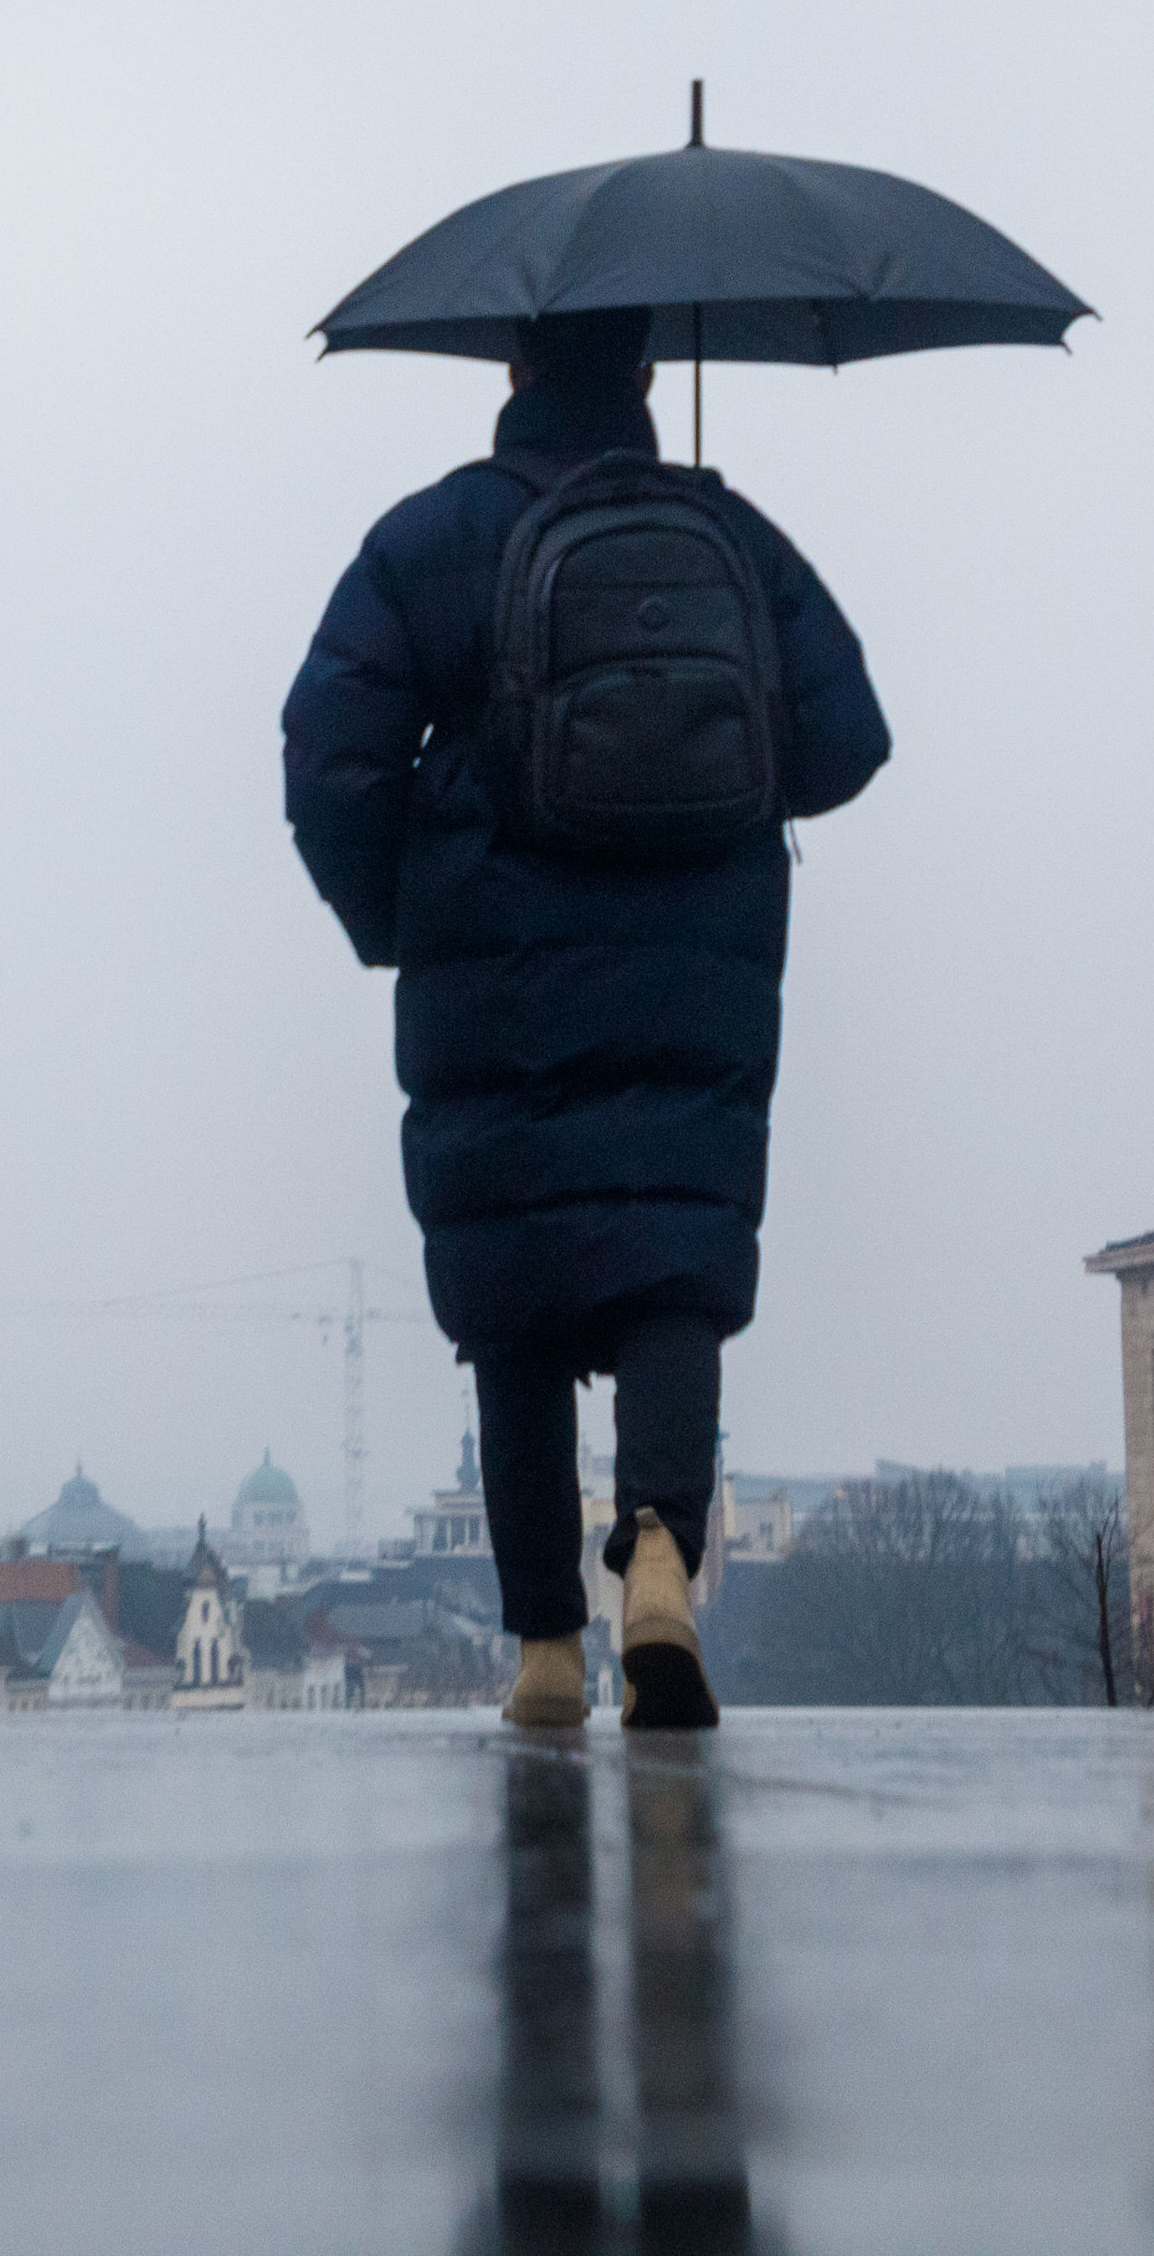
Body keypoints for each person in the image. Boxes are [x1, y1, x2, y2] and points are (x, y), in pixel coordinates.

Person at [282, 310, 886, 1730]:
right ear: (642, 380)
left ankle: (546, 1648)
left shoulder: (431, 540)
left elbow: (328, 755)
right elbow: (848, 737)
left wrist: (401, 914)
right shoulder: (727, 533)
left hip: (487, 975)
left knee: (517, 1309)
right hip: (698, 972)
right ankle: (661, 1558)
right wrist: (713, 771)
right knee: (672, 1266)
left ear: (511, 376)